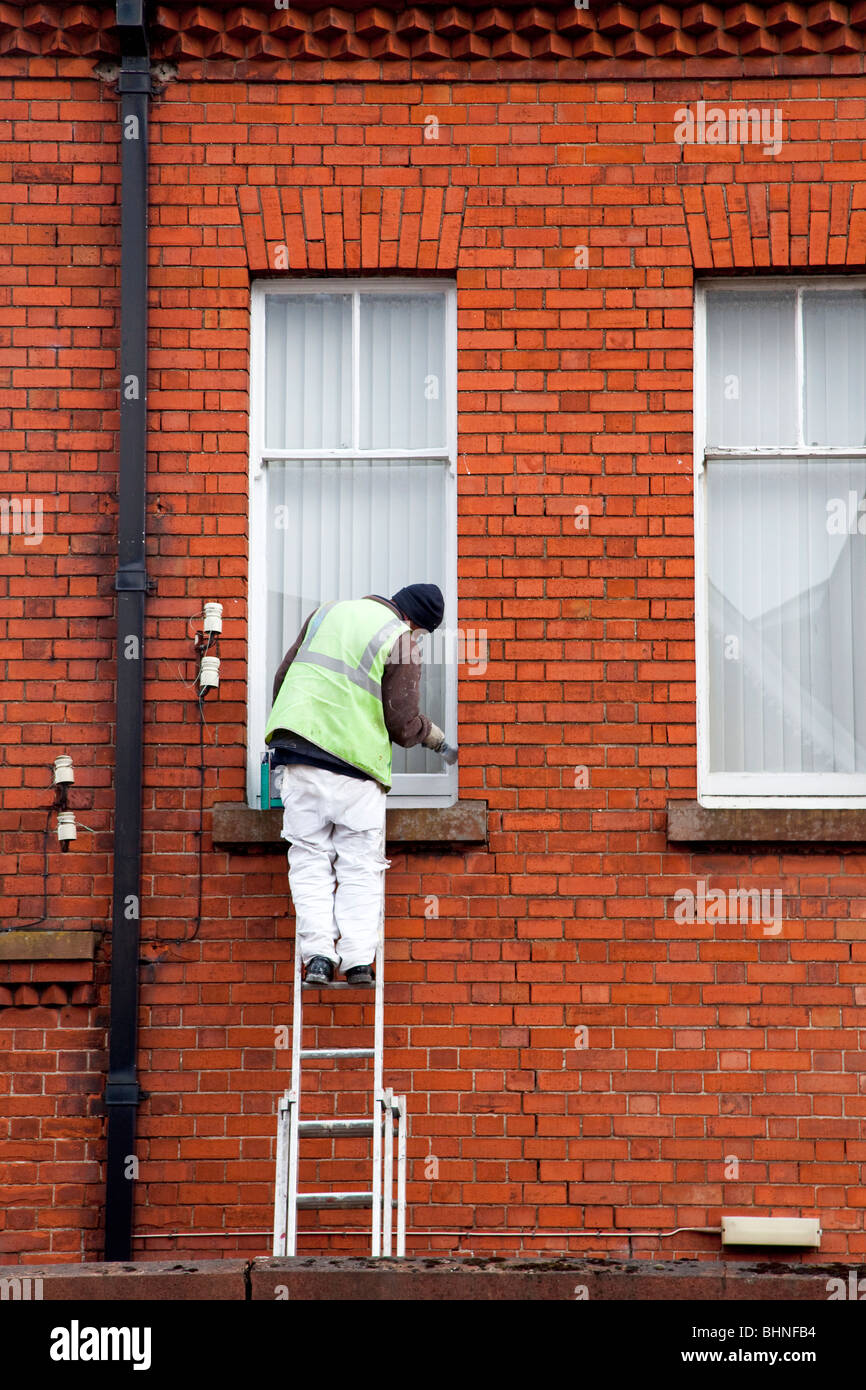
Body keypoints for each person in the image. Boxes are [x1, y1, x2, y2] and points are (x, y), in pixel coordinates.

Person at [265, 584, 457, 986]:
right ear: (414, 622)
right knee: (359, 865)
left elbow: (284, 678)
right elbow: (402, 724)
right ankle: (357, 960)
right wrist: (431, 734)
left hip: (299, 757)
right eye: (421, 633)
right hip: (354, 768)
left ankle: (317, 957)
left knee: (309, 859)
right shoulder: (398, 638)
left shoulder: (326, 612)